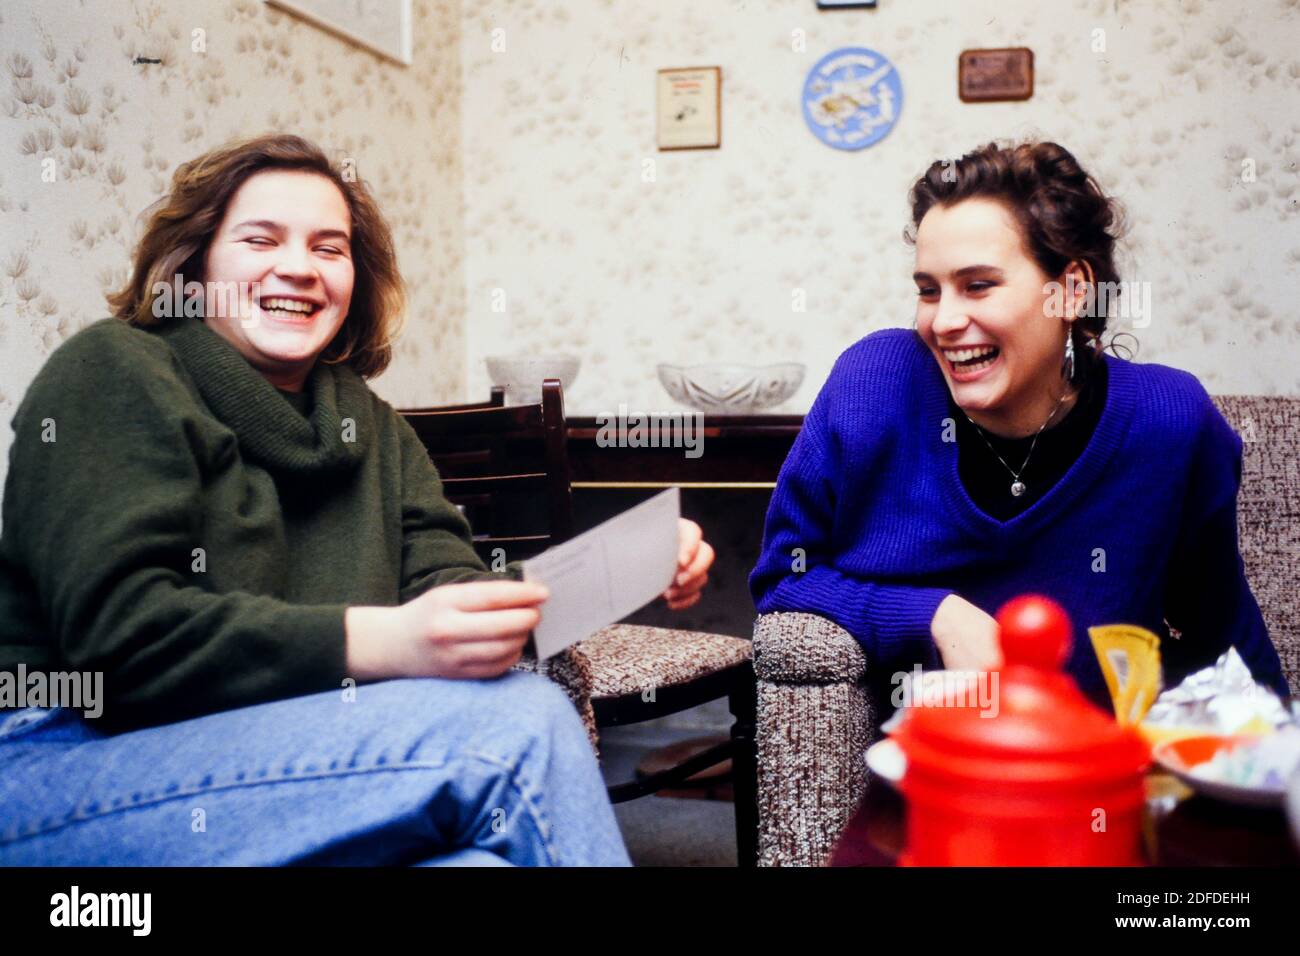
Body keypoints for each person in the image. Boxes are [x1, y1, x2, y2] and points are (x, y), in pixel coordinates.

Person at [0, 133, 714, 866]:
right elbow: (125, 641)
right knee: (519, 724)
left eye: (329, 248)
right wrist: (389, 640)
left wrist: (621, 567)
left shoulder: (371, 425)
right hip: (61, 758)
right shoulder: (113, 369)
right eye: (260, 239)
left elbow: (450, 588)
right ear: (196, 263)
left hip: (268, 752)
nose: (299, 268)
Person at [750, 140, 1288, 711]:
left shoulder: (1170, 419)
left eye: (978, 285)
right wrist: (933, 614)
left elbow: (1221, 630)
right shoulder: (874, 385)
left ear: (1070, 290)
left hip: (1097, 771)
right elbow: (783, 580)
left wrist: (1274, 770)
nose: (945, 321)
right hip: (928, 771)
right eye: (928, 290)